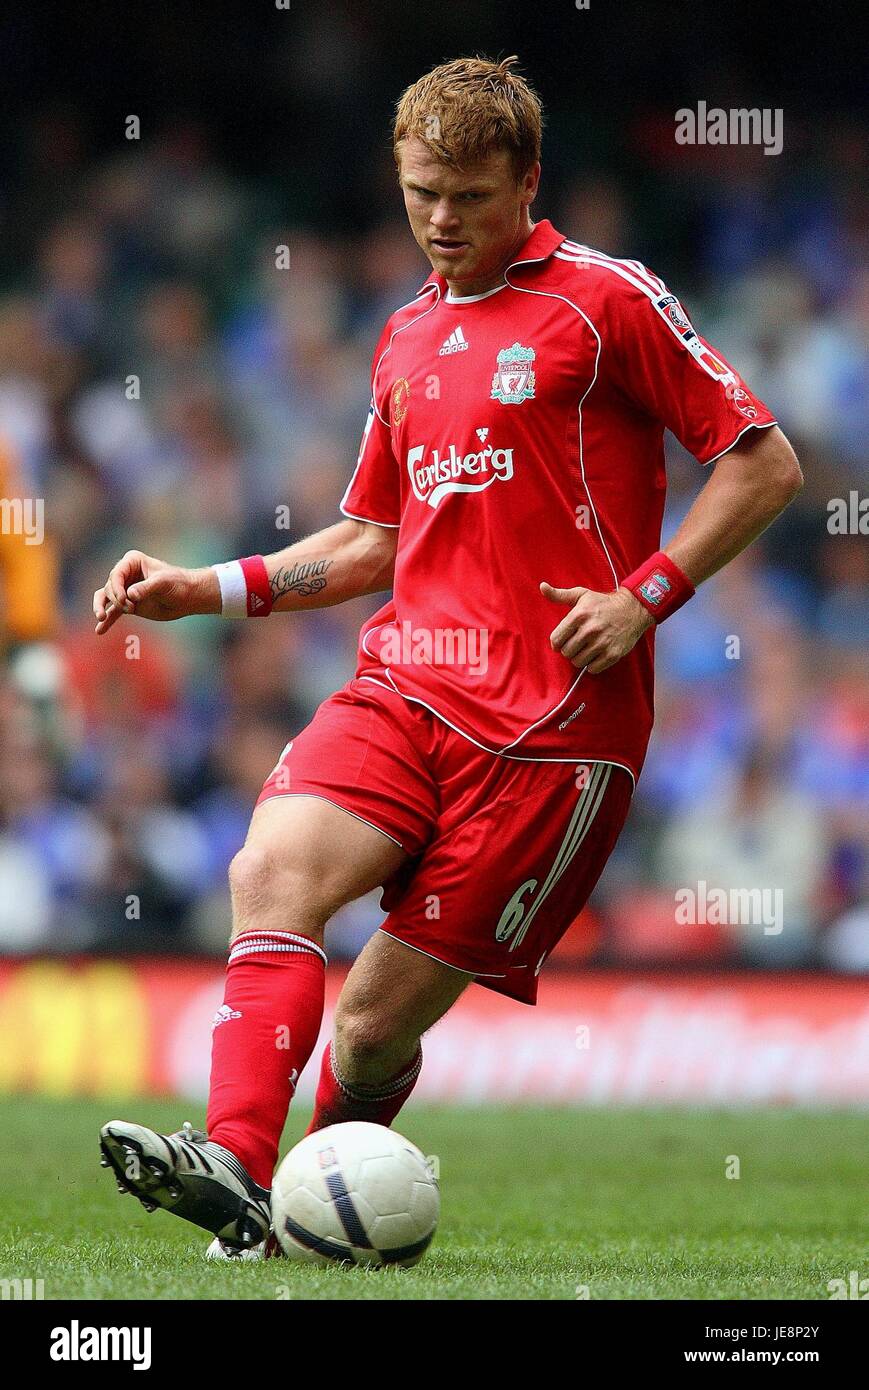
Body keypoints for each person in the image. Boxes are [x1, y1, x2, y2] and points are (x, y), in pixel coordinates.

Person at [93, 56, 803, 1258]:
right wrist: (200, 590)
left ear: (527, 181)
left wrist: (647, 596)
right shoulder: (405, 333)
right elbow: (376, 538)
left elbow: (761, 461)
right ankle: (231, 1161)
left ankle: (299, 1225)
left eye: (468, 197)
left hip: (552, 737)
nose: (438, 219)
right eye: (420, 192)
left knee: (370, 1032)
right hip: (405, 686)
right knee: (271, 870)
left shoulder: (605, 300)